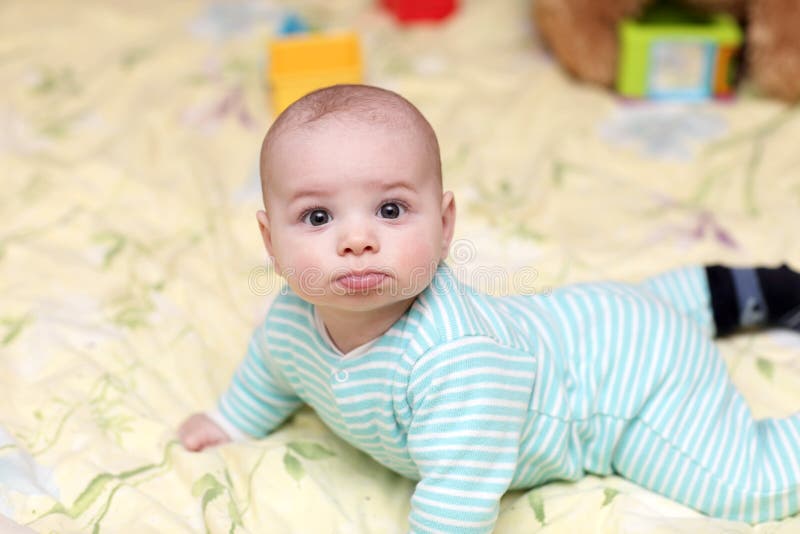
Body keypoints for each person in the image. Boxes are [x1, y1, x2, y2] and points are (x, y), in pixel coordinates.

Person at [179, 84, 800, 533]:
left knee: (742, 488)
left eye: (391, 210)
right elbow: (273, 369)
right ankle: (733, 291)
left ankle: (741, 301)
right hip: (588, 319)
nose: (356, 239)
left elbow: (460, 495)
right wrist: (232, 419)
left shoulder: (454, 360)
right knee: (603, 311)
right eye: (317, 216)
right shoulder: (292, 316)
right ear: (270, 242)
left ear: (445, 225)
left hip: (629, 389)